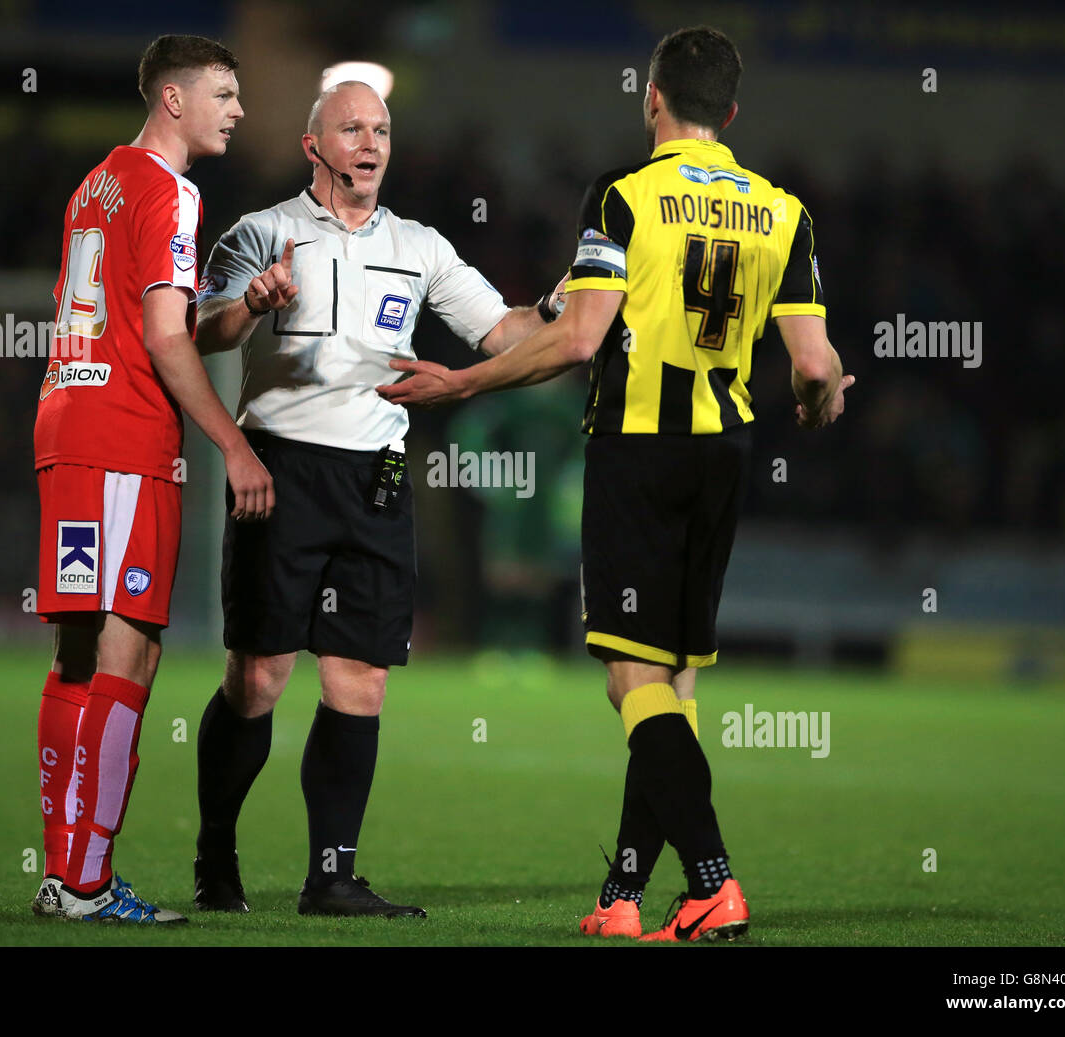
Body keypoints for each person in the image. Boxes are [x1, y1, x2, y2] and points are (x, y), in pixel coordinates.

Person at [378, 26, 854, 941]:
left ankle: (715, 880)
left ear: (653, 99)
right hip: (725, 455)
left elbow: (581, 339)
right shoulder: (782, 210)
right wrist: (821, 395)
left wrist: (459, 383)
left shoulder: (626, 195)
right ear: (734, 112)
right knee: (667, 683)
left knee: (630, 677)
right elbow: (811, 359)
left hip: (640, 446)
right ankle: (626, 895)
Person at [192, 79, 565, 917]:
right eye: (352, 128)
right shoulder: (264, 231)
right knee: (258, 678)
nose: (370, 142)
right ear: (313, 146)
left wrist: (557, 309)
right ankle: (217, 849)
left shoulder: (421, 245)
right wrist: (251, 303)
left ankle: (331, 876)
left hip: (377, 476)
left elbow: (501, 332)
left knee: (360, 680)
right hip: (281, 468)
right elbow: (201, 326)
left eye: (382, 130)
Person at [30, 34, 272, 924]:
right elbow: (166, 341)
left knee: (79, 650)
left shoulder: (95, 180)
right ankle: (88, 883)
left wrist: (244, 307)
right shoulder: (172, 190)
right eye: (224, 92)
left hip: (65, 418)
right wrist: (233, 444)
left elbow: (153, 319)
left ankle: (64, 874)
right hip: (127, 438)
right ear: (173, 99)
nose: (238, 109)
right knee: (132, 648)